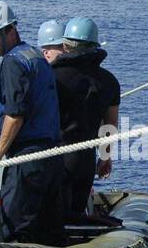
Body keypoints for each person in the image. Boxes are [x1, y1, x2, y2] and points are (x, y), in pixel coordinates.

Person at [0, 1, 66, 245]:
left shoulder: (13, 63)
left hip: (27, 159)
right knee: (48, 228)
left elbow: (15, 115)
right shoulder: (35, 56)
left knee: (15, 226)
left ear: (11, 31)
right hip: (52, 155)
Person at [44, 17, 121, 218]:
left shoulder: (51, 77)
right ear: (95, 46)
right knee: (76, 214)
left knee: (51, 218)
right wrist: (105, 157)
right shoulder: (109, 81)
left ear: (65, 46)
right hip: (85, 159)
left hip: (53, 157)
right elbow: (110, 124)